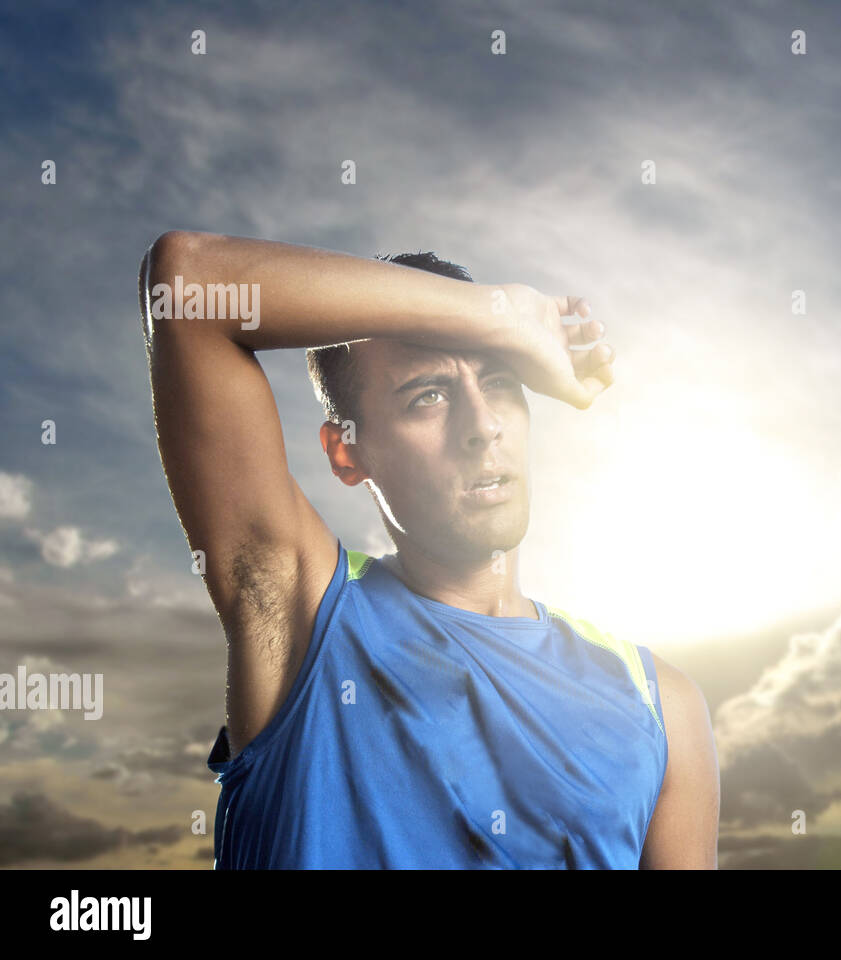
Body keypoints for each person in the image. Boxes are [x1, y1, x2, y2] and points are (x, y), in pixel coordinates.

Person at [136, 231, 719, 867]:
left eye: (498, 382)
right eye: (429, 396)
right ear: (347, 451)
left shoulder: (661, 703)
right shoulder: (304, 615)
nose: (483, 426)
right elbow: (187, 285)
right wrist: (505, 315)